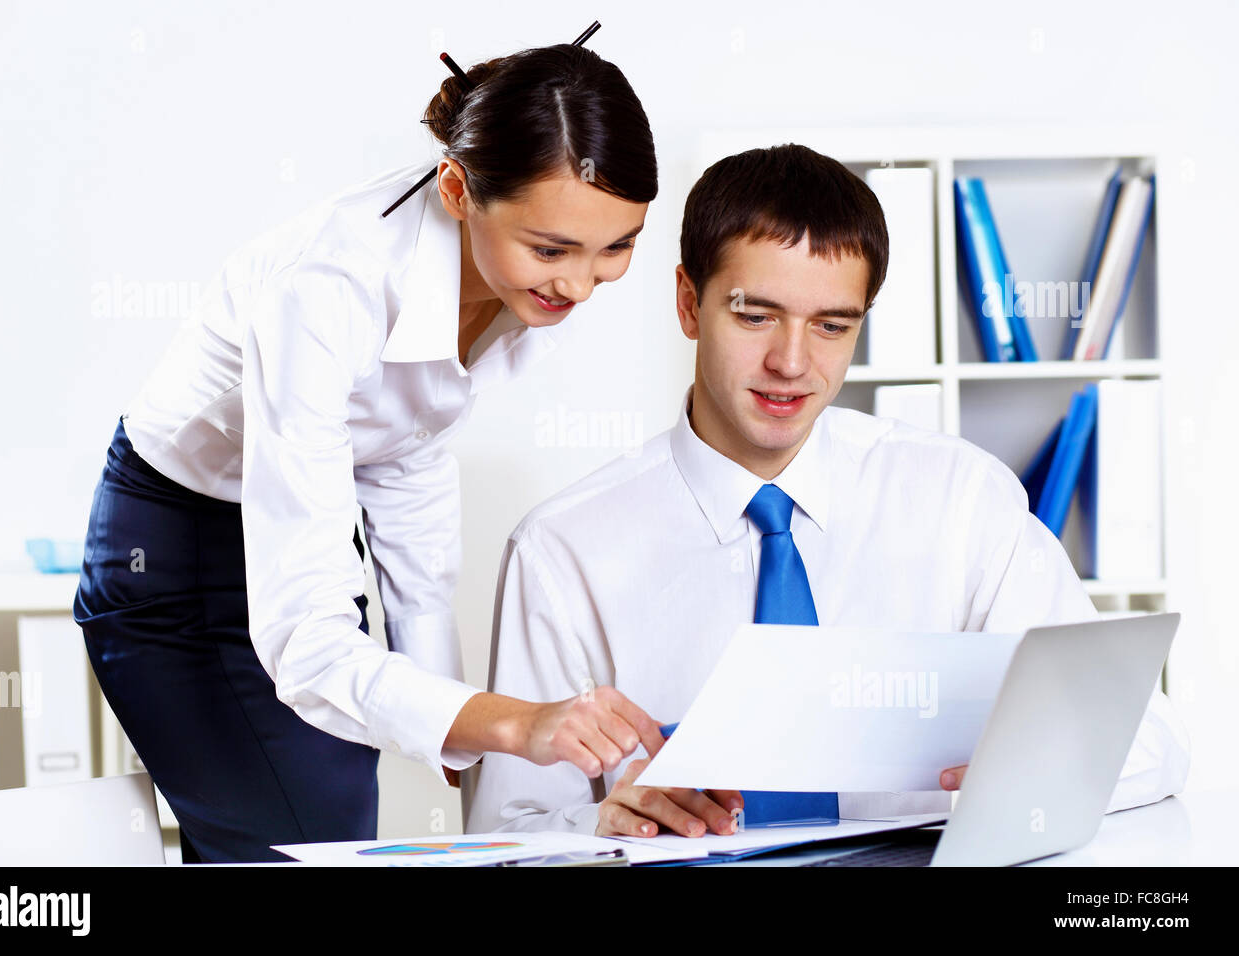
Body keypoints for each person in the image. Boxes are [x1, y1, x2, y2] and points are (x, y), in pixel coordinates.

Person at [465, 143, 1191, 837]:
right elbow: (504, 831)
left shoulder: (960, 500)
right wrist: (601, 822)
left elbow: (1145, 737)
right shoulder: (563, 549)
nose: (791, 362)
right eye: (755, 315)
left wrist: (1047, 771)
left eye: (832, 325)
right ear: (689, 303)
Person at [72, 40, 666, 863]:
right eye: (553, 249)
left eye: (617, 247)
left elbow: (403, 457)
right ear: (458, 189)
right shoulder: (325, 290)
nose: (580, 283)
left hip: (303, 514)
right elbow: (309, 647)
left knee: (338, 818)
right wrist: (513, 721)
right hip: (172, 547)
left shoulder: (508, 282)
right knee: (305, 834)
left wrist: (459, 721)